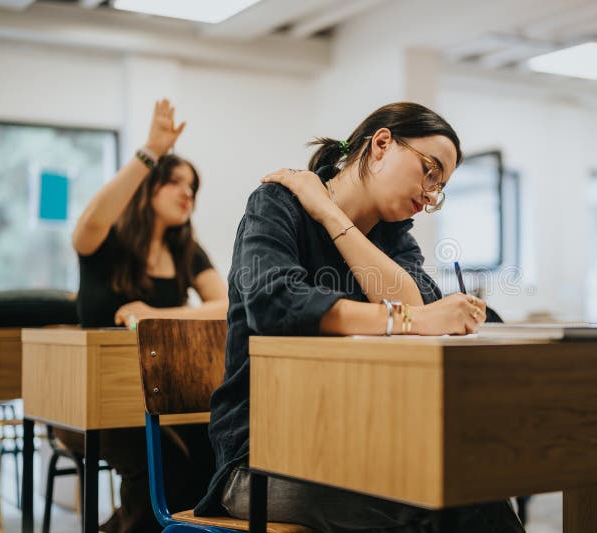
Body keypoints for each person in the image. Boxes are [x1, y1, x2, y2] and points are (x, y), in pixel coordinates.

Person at [196, 102, 524, 532]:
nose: (429, 196)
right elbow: (274, 303)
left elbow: (420, 308)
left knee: (474, 493)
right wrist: (406, 321)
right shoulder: (277, 204)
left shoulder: (392, 235)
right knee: (432, 510)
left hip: (358, 443)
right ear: (382, 144)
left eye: (438, 188)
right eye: (429, 171)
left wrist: (331, 213)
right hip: (261, 457)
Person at [60, 99, 229, 532]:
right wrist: (150, 151)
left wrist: (157, 314)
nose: (187, 192)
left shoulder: (185, 252)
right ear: (147, 188)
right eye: (174, 182)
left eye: (193, 185)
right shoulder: (106, 243)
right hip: (91, 399)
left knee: (214, 453)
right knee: (166, 463)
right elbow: (86, 223)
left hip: (160, 396)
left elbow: (228, 306)